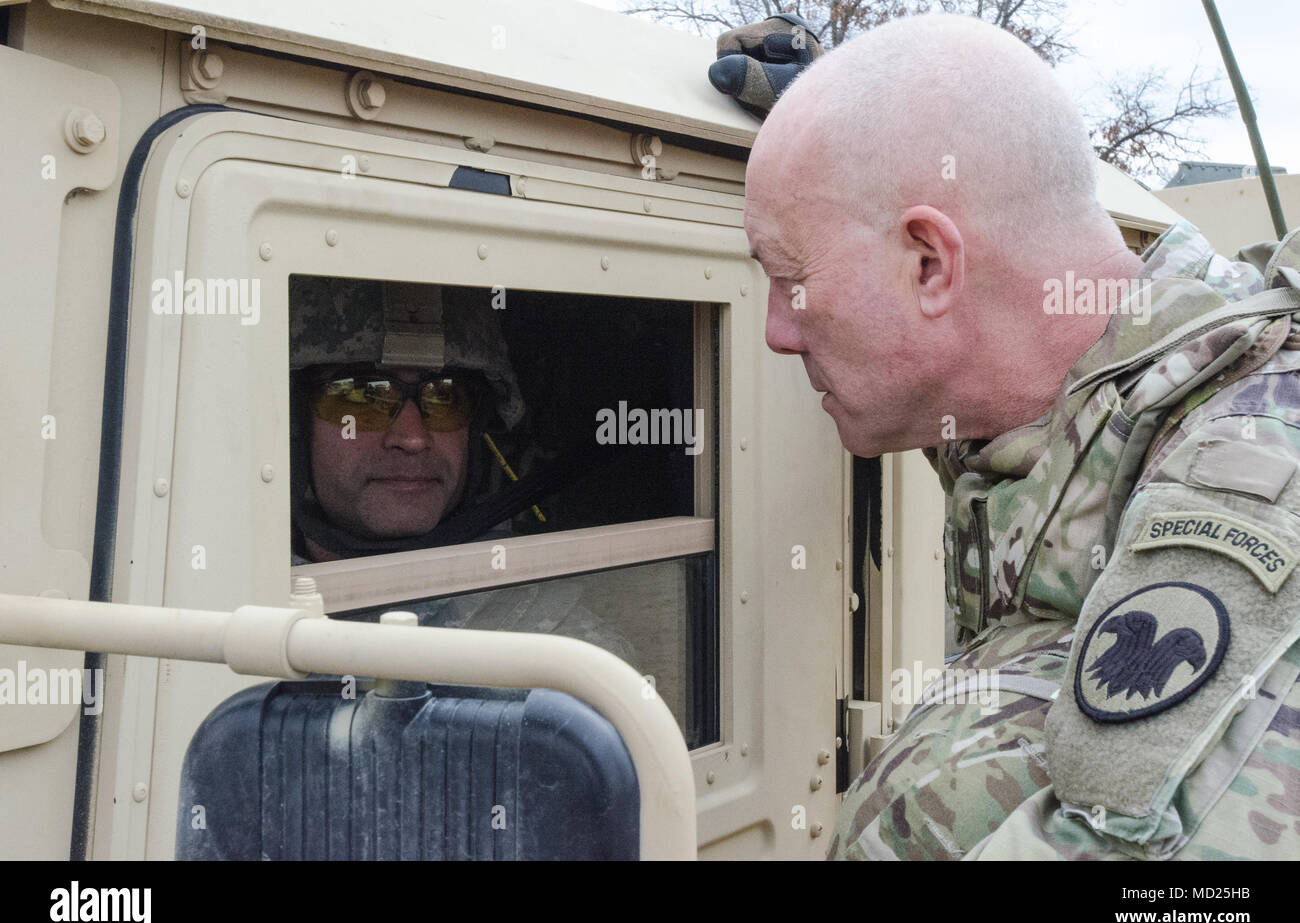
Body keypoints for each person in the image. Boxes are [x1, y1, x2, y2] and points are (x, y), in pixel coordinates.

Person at [719, 13, 1300, 859]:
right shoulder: (1086, 408)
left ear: (930, 263)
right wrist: (841, 122)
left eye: (790, 279)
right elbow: (979, 374)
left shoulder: (1250, 484)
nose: (778, 329)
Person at [289, 276, 637, 666]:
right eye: (364, 394)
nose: (413, 438)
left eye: (445, 396)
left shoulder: (566, 661)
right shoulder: (230, 607)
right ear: (294, 425)